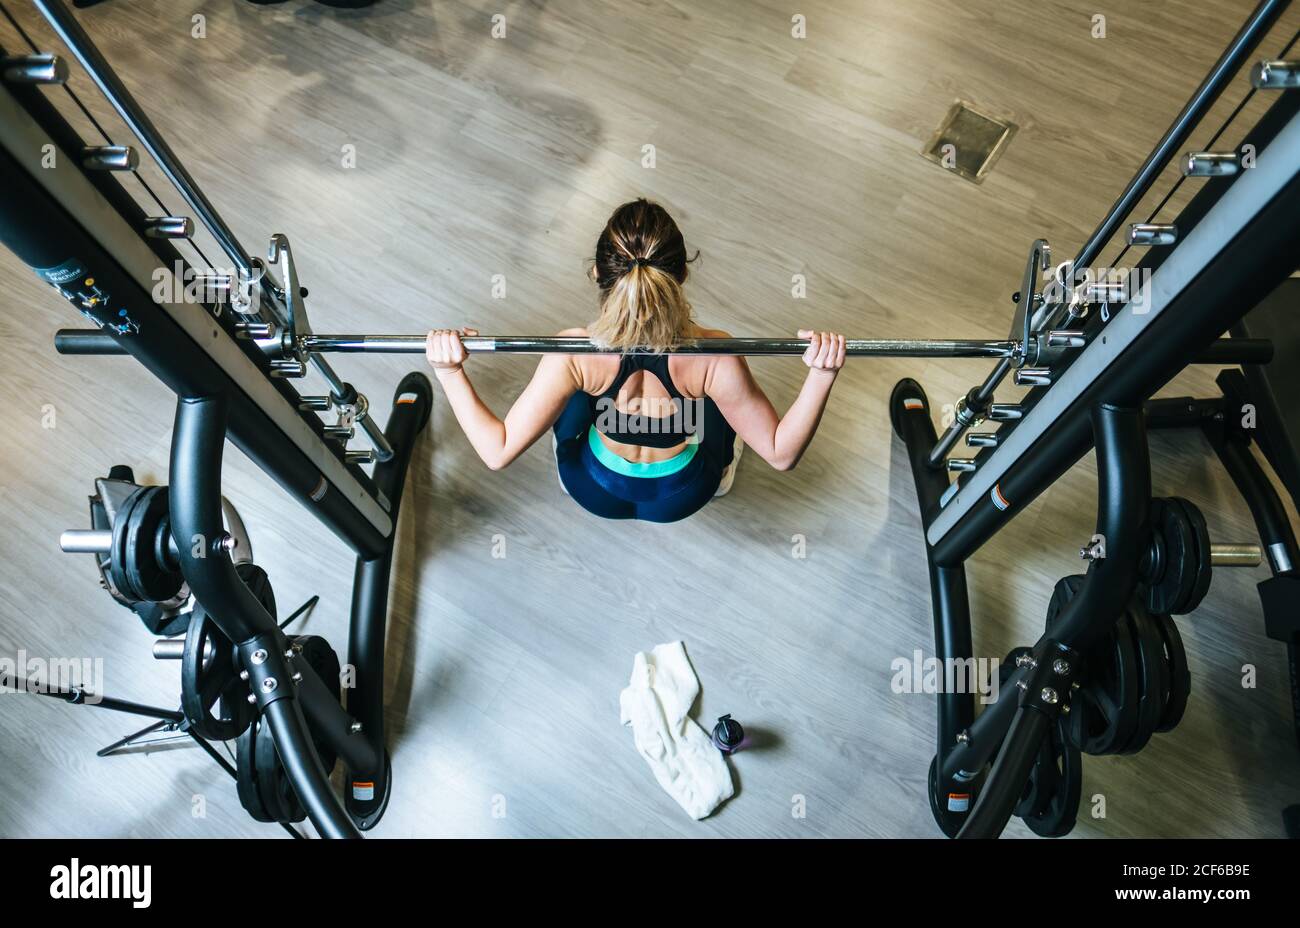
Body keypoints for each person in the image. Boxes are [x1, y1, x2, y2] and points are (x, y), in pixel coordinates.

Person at [426, 198, 845, 522]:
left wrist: (448, 371)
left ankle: (586, 447)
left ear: (597, 274)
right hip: (682, 494)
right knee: (719, 404)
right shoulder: (715, 354)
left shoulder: (572, 351)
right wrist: (822, 373)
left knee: (569, 395)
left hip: (593, 489)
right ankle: (721, 474)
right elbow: (780, 453)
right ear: (681, 276)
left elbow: (496, 452)